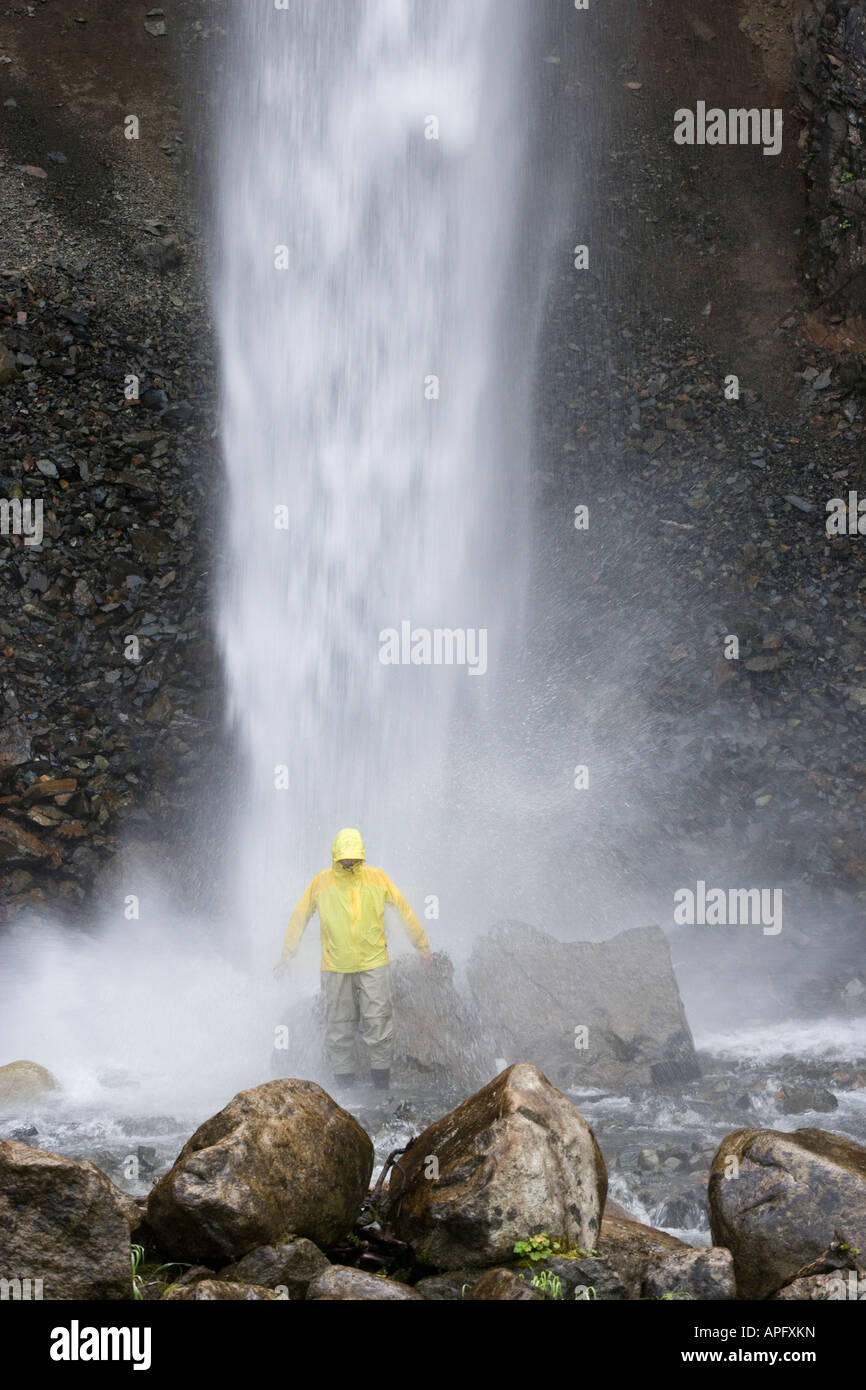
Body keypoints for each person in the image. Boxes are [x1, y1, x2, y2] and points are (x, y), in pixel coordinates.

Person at [274, 828, 432, 1091]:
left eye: (354, 858)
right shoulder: (321, 882)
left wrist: (422, 947)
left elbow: (404, 910)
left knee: (378, 1021)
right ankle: (345, 1094)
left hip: (374, 963)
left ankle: (381, 1088)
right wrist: (287, 956)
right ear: (335, 856)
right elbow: (299, 917)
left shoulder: (377, 878)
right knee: (338, 1028)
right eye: (344, 858)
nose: (349, 862)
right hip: (335, 967)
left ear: (361, 856)